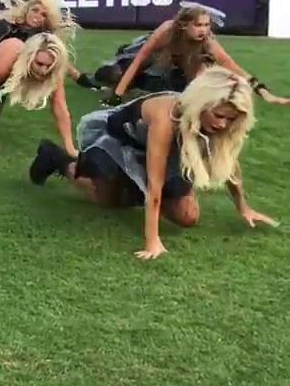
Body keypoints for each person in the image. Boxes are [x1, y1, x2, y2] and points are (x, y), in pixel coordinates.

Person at [29, 68, 276, 260]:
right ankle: (58, 159)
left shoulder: (218, 124)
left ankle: (129, 190)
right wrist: (152, 240)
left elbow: (227, 161)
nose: (223, 124)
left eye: (230, 118)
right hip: (119, 142)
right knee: (108, 201)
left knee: (187, 217)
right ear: (202, 104)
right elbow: (155, 184)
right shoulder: (167, 116)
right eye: (219, 115)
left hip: (165, 148)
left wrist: (243, 207)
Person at [95, 3, 289, 105]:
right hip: (145, 57)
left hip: (167, 67)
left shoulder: (207, 40)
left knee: (182, 87)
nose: (203, 30)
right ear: (184, 25)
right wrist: (117, 95)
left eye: (206, 25)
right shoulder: (167, 31)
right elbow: (139, 60)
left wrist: (263, 92)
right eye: (198, 25)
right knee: (110, 75)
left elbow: (230, 65)